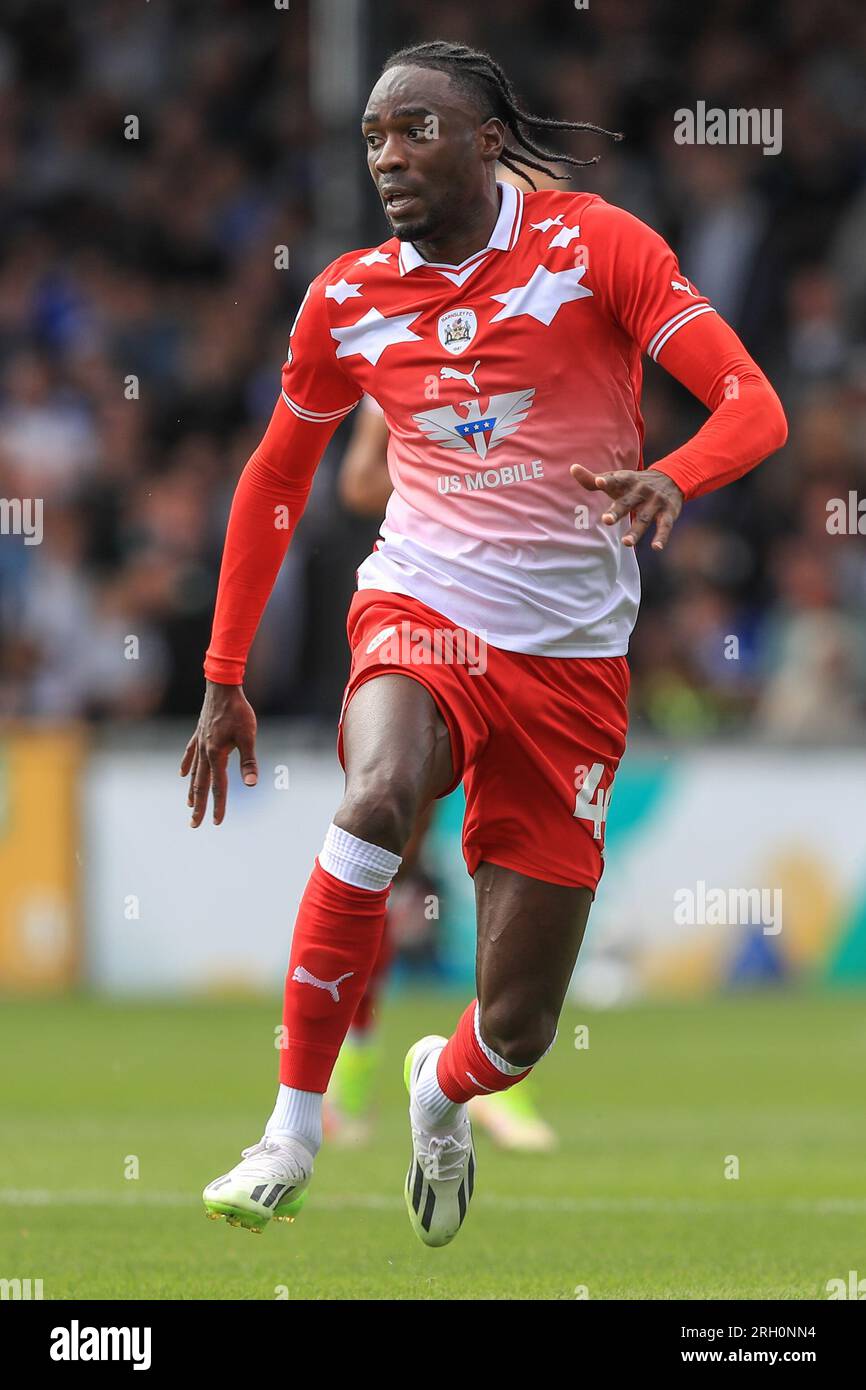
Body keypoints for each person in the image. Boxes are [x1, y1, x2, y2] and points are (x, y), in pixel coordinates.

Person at [186, 40, 787, 1247]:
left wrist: (669, 478)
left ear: (486, 139)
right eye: (371, 136)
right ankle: (290, 1130)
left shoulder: (594, 246)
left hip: (568, 661)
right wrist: (221, 675)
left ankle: (437, 1087)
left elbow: (752, 406)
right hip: (421, 605)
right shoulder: (347, 297)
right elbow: (271, 481)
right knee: (376, 801)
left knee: (512, 1031)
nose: (388, 156)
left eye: (415, 129)